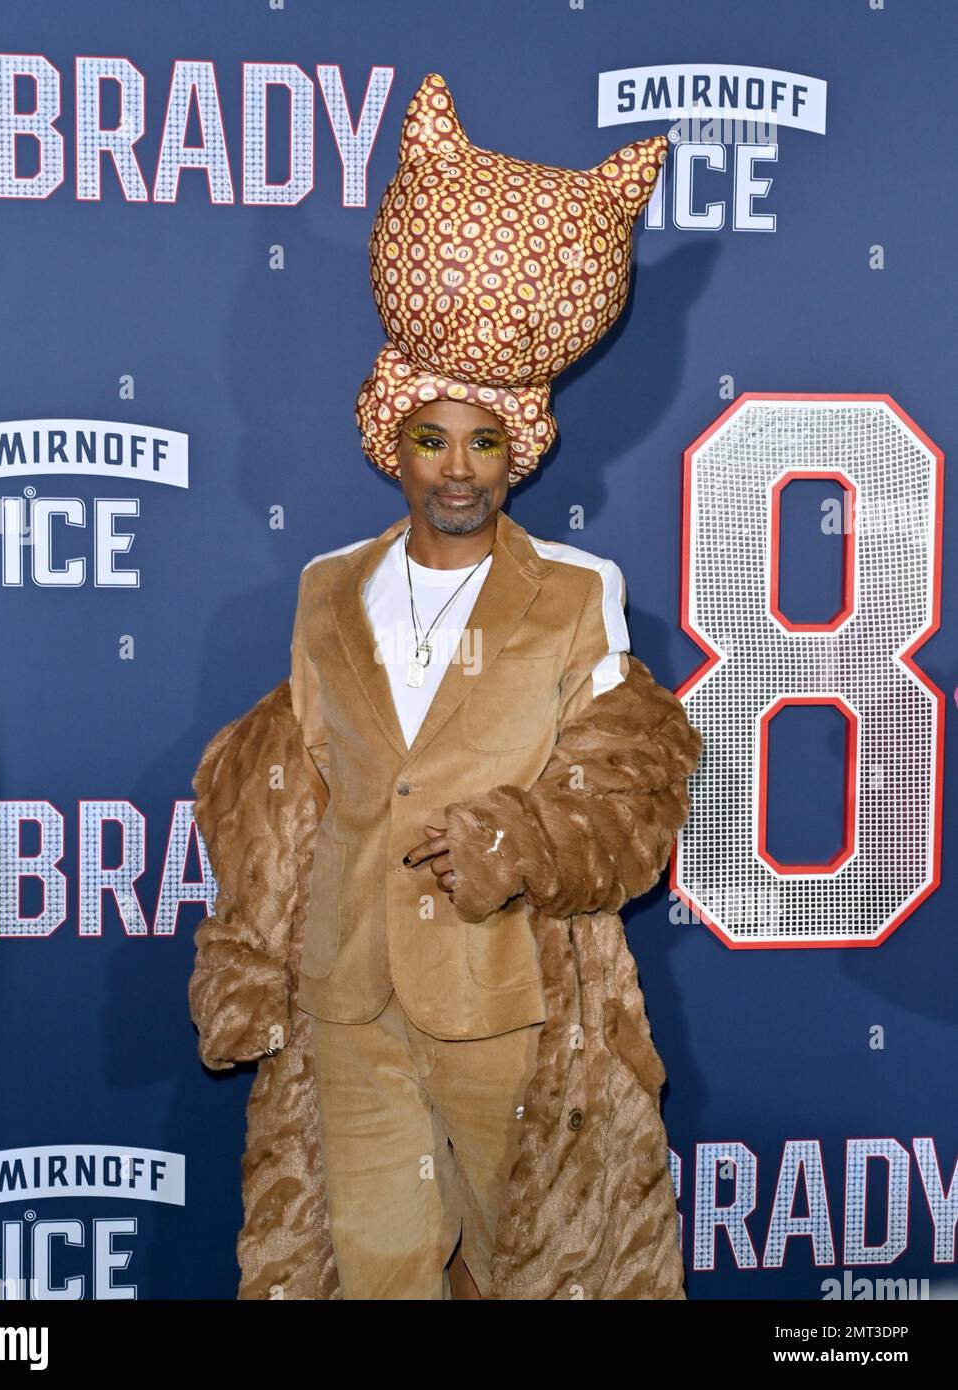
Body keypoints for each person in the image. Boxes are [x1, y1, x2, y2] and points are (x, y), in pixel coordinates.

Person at [188, 72, 702, 1301]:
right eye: (432, 440)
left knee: (541, 1268)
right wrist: (252, 951)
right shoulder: (323, 591)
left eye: (483, 442)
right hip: (346, 997)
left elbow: (631, 784)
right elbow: (282, 798)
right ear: (393, 442)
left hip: (502, 995)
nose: (458, 471)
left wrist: (520, 835)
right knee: (367, 1270)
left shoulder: (579, 592)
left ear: (518, 446)